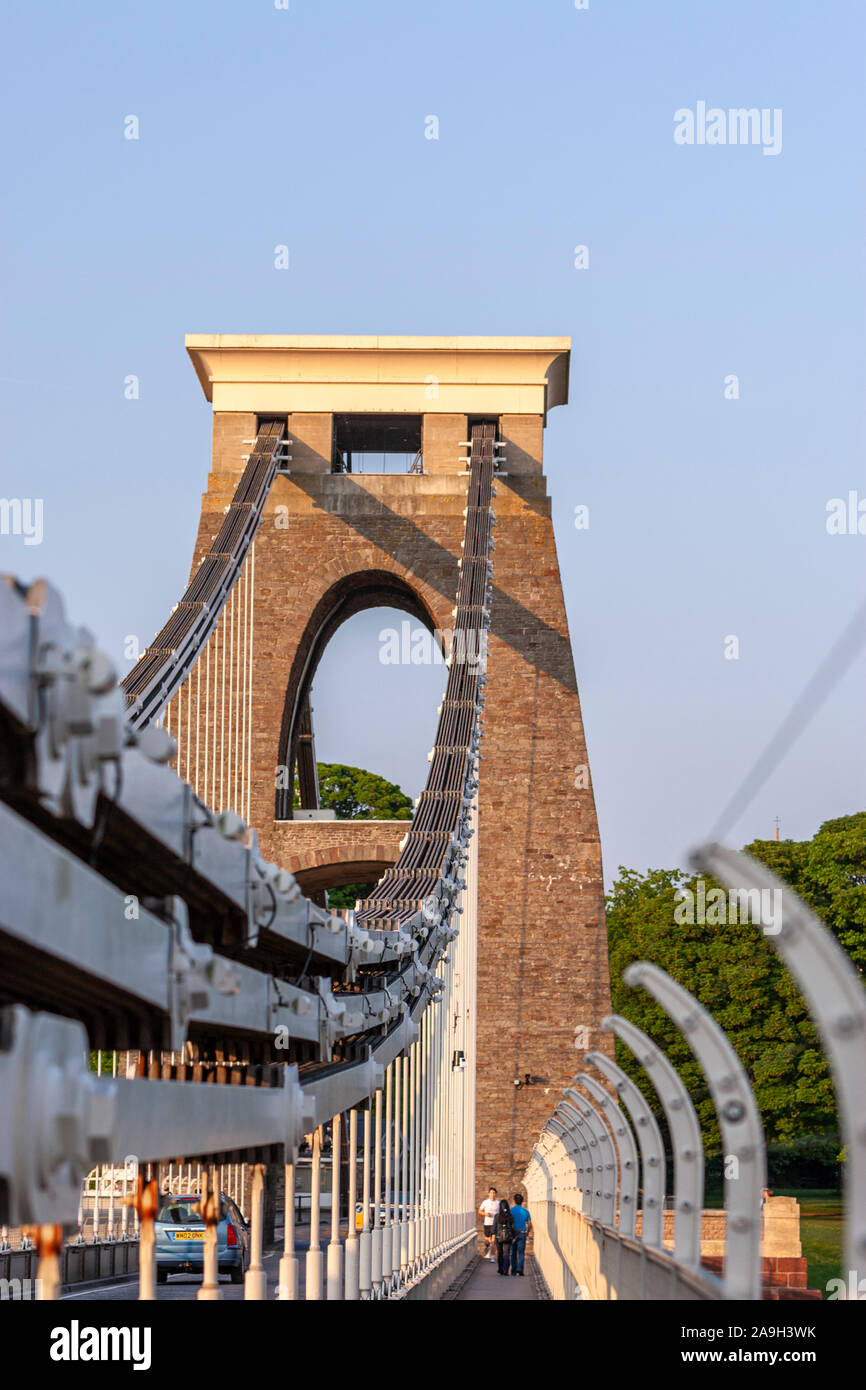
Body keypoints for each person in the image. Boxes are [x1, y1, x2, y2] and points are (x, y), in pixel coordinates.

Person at [509, 1193, 531, 1276]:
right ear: (522, 1201)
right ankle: (520, 1269)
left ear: (514, 1201)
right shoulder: (526, 1211)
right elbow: (529, 1224)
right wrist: (527, 1233)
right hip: (522, 1233)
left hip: (513, 1233)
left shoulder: (511, 1211)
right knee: (521, 1253)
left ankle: (513, 1270)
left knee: (513, 1252)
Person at [493, 1198, 514, 1275]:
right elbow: (512, 1227)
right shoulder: (510, 1216)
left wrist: (492, 1236)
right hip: (508, 1237)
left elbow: (494, 1227)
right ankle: (506, 1270)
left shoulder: (497, 1216)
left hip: (498, 1237)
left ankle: (500, 1269)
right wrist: (513, 1236)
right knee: (506, 1253)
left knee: (500, 1253)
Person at [479, 1187, 498, 1260]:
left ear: (495, 1194)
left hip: (495, 1224)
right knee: (487, 1241)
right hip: (487, 1223)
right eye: (491, 1193)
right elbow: (479, 1211)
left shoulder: (498, 1203)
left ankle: (492, 1256)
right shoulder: (485, 1202)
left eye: (494, 1193)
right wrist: (485, 1214)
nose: (492, 1194)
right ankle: (487, 1248)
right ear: (488, 1194)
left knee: (493, 1241)